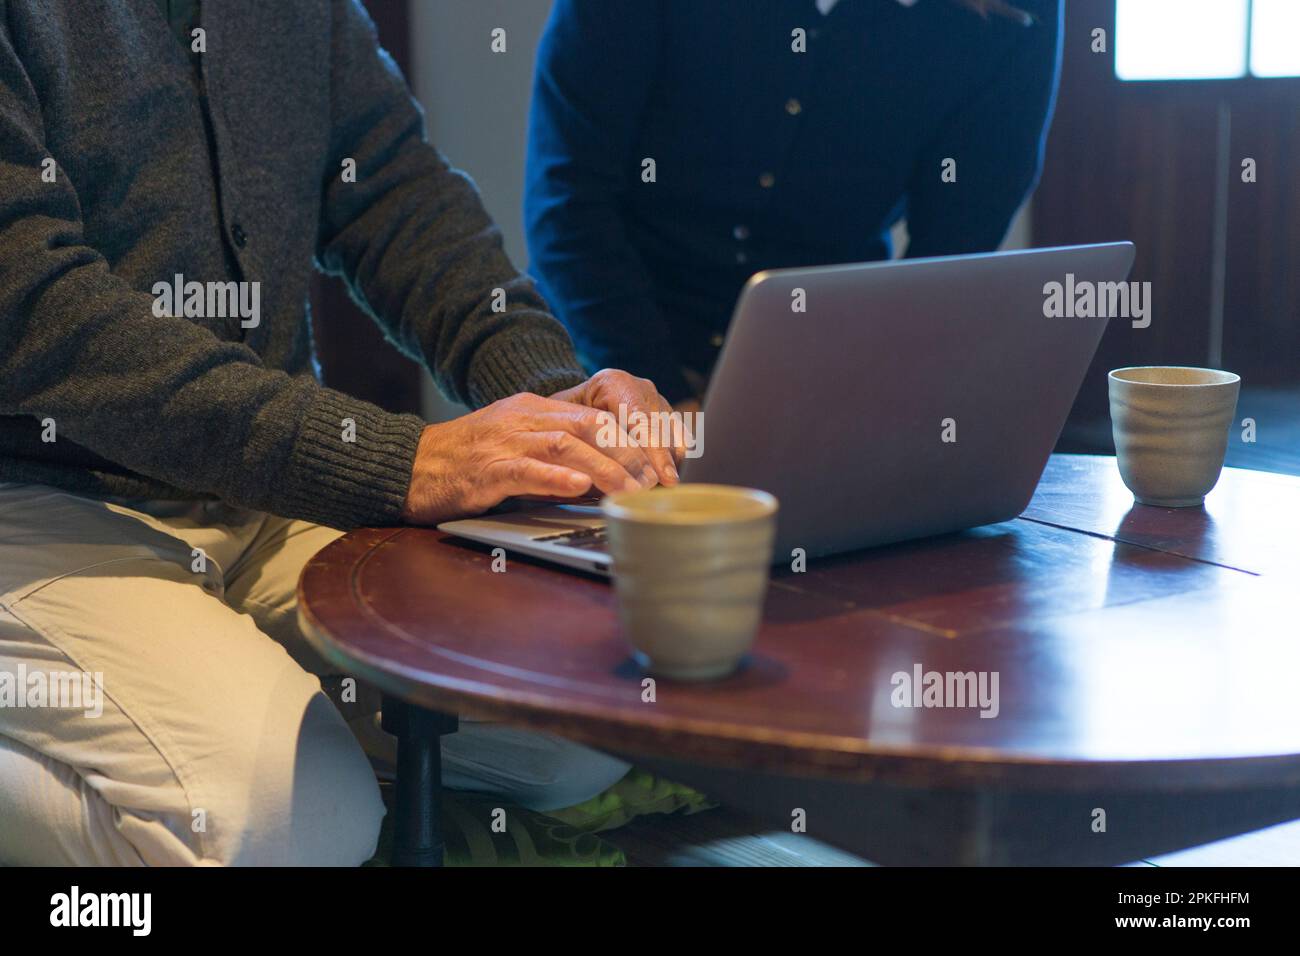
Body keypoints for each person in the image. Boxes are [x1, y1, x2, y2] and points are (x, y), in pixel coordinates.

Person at [0, 0, 680, 866]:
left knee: (574, 732)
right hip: (37, 498)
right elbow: (29, 313)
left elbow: (396, 194)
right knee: (291, 823)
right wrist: (399, 462)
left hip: (256, 489)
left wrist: (554, 410)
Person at [526, 0, 1062, 411]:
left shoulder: (1016, 14)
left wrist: (887, 402)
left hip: (823, 373)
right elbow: (569, 200)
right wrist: (663, 400)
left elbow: (958, 239)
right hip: (606, 358)